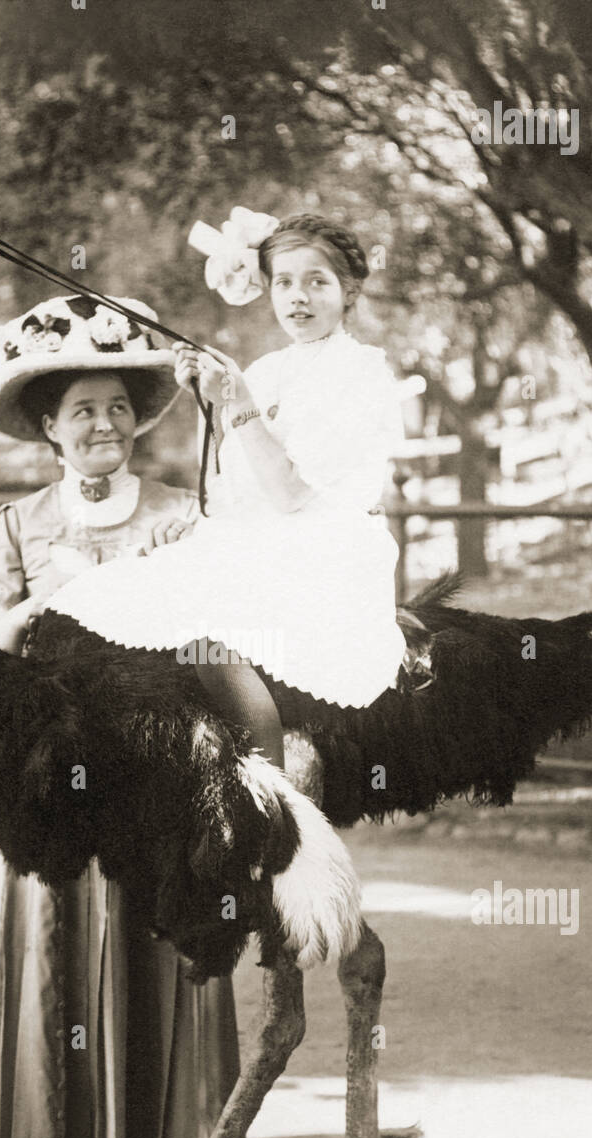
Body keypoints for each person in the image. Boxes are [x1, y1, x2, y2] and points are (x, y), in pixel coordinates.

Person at [0, 294, 241, 1138]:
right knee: (50, 929)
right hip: (45, 775)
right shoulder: (18, 525)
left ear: (137, 418)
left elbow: (203, 631)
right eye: (80, 412)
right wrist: (39, 608)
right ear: (50, 430)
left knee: (150, 924)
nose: (102, 425)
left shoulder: (181, 517)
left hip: (148, 768)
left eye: (115, 407)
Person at [44, 214, 407, 889]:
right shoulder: (267, 369)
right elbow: (230, 491)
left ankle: (263, 793)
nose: (298, 297)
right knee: (89, 601)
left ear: (350, 289)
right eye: (284, 283)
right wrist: (213, 405)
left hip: (323, 548)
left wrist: (238, 405)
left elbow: (294, 495)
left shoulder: (362, 374)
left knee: (204, 633)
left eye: (317, 282)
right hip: (257, 539)